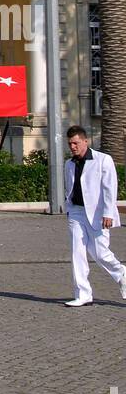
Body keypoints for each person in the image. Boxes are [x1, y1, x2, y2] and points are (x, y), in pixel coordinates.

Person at [63, 124, 126, 307]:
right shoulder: (69, 164)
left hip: (97, 213)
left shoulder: (103, 160)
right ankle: (82, 294)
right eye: (70, 144)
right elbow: (70, 186)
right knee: (77, 252)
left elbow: (109, 188)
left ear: (85, 141)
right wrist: (69, 208)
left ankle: (122, 273)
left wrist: (108, 213)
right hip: (76, 212)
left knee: (100, 252)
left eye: (75, 143)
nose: (73, 147)